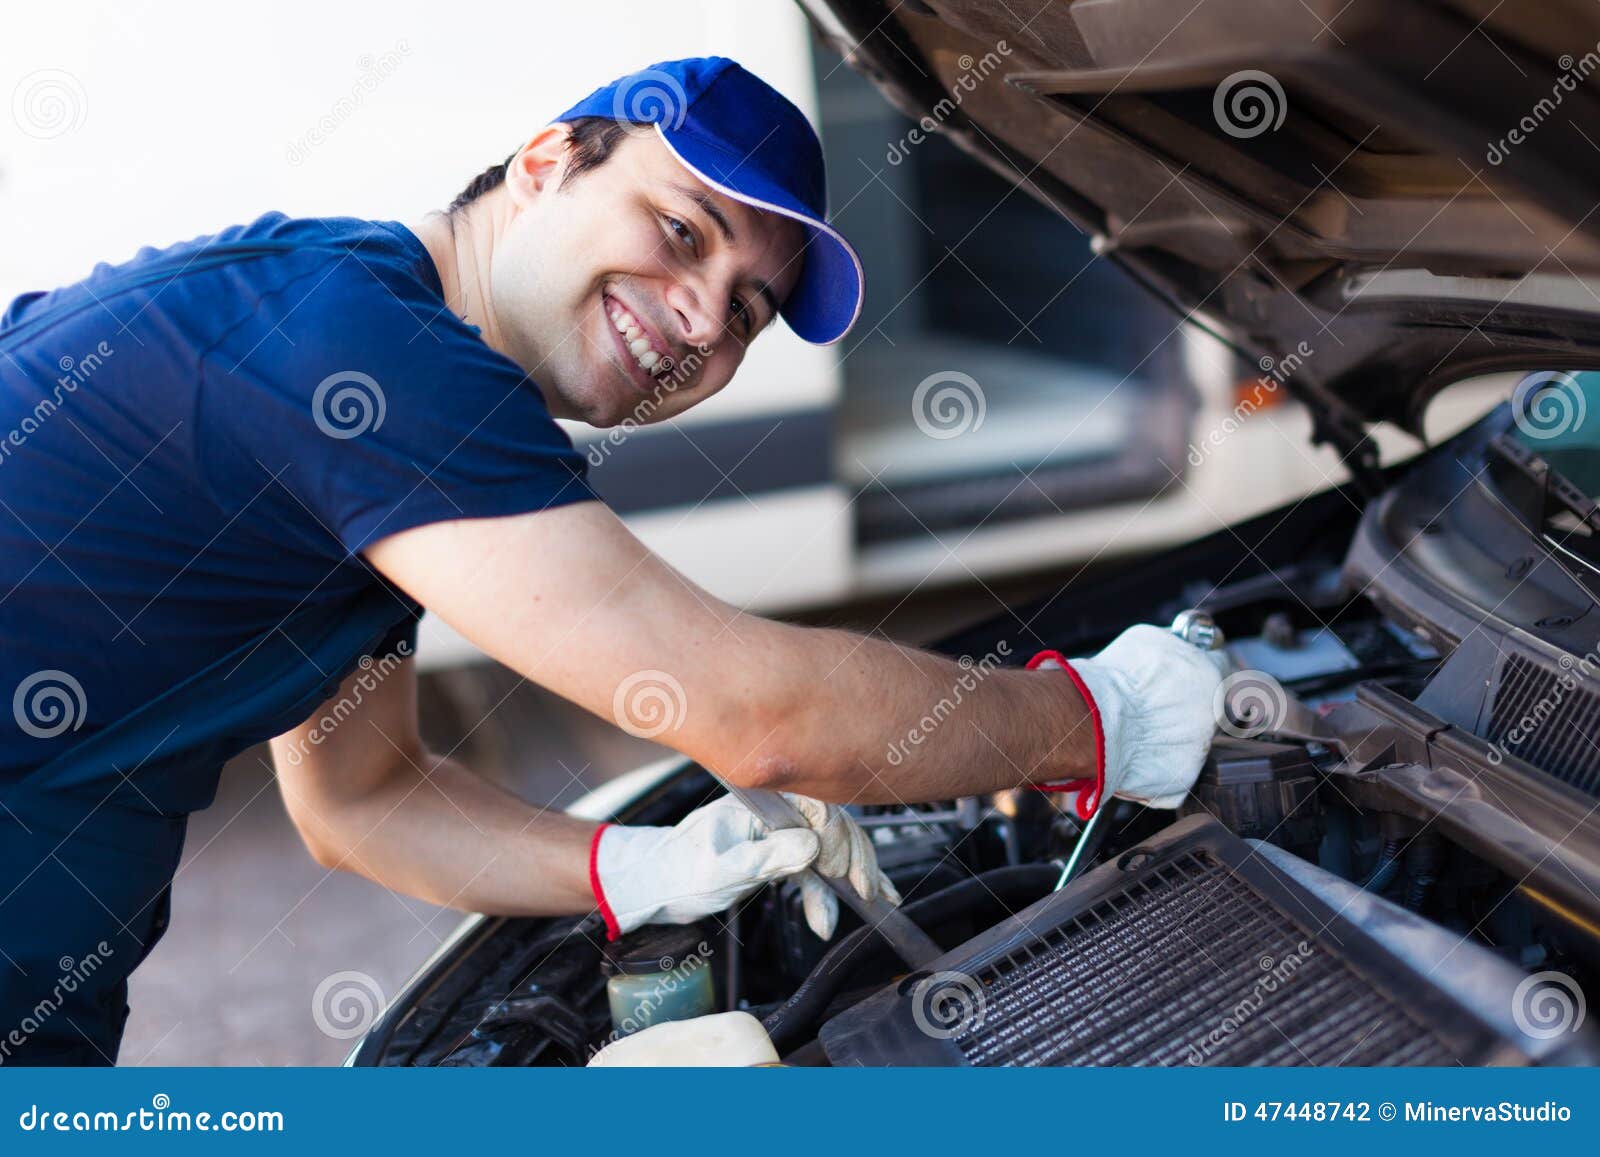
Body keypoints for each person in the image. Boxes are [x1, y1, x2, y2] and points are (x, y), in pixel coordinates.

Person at [0, 57, 1226, 1064]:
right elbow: (763, 716)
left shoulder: (370, 374)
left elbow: (362, 799)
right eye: (681, 232)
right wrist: (1098, 716)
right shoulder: (373, 361)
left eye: (746, 309)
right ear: (545, 163)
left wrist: (638, 865)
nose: (700, 316)